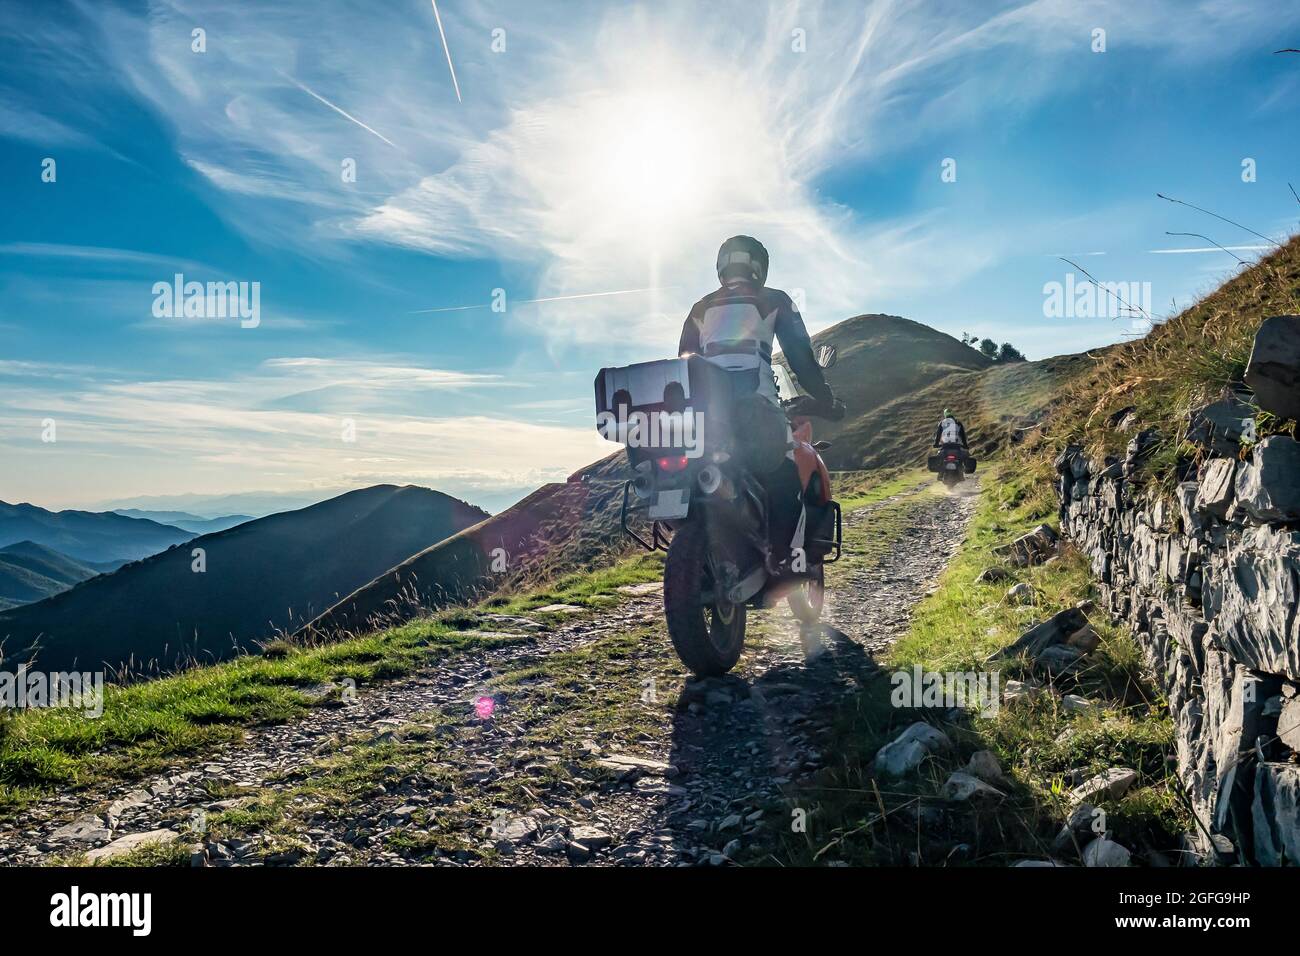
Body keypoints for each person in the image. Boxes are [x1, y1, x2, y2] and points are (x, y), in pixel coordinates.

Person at [678, 235, 841, 567]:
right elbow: (801, 358)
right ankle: (784, 559)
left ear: (722, 267)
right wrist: (827, 399)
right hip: (757, 405)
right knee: (784, 470)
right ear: (759, 266)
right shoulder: (774, 299)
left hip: (705, 415)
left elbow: (683, 363)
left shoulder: (699, 308)